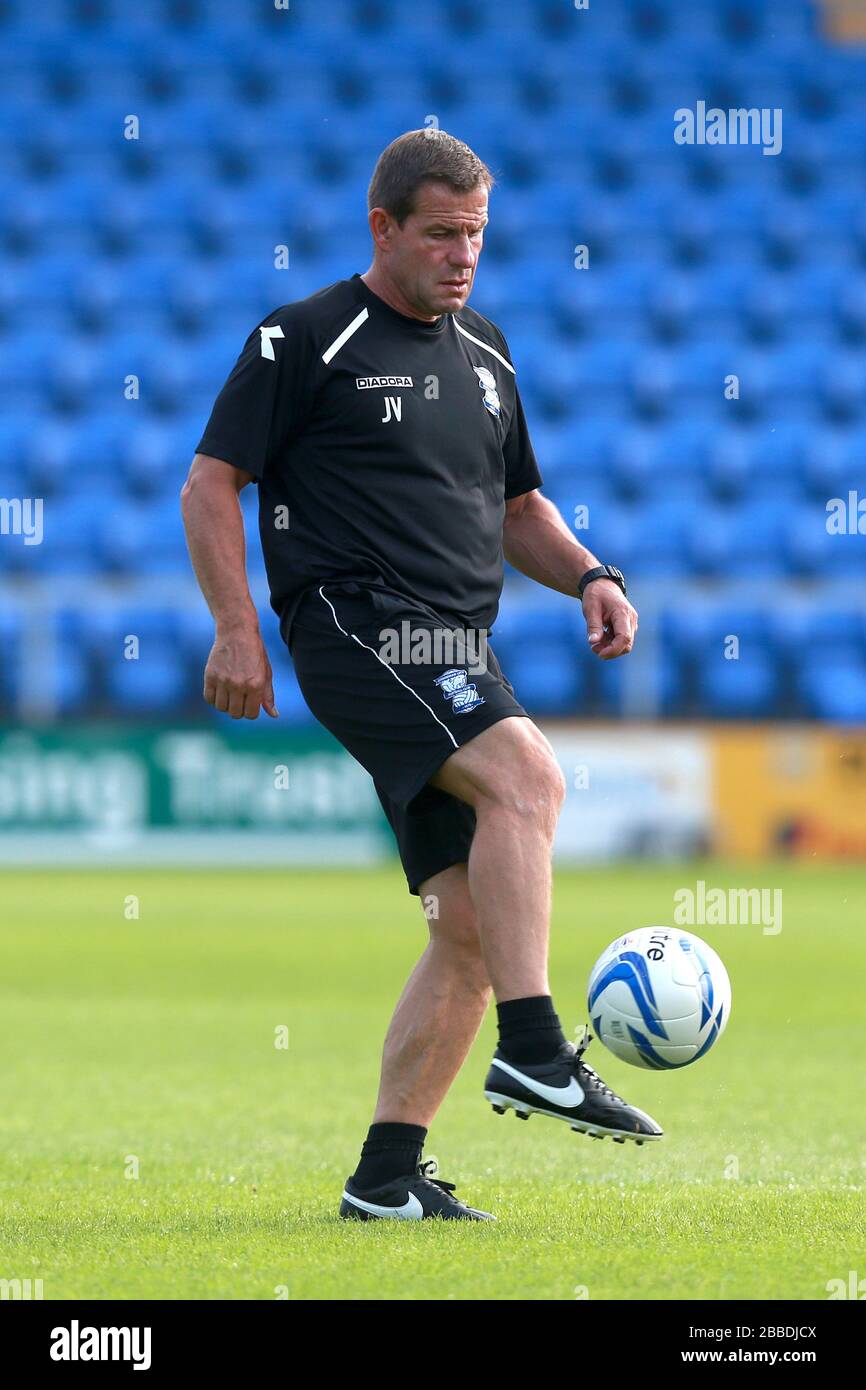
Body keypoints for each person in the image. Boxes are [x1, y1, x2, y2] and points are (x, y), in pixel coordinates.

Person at [181, 129, 662, 1223]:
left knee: (469, 931)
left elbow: (515, 510)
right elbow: (211, 484)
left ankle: (385, 1176)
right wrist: (235, 626)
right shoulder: (301, 337)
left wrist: (589, 572)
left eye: (476, 236)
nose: (461, 256)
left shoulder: (484, 351)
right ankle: (538, 1051)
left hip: (456, 640)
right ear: (381, 228)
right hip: (357, 619)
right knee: (530, 781)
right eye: (440, 234)